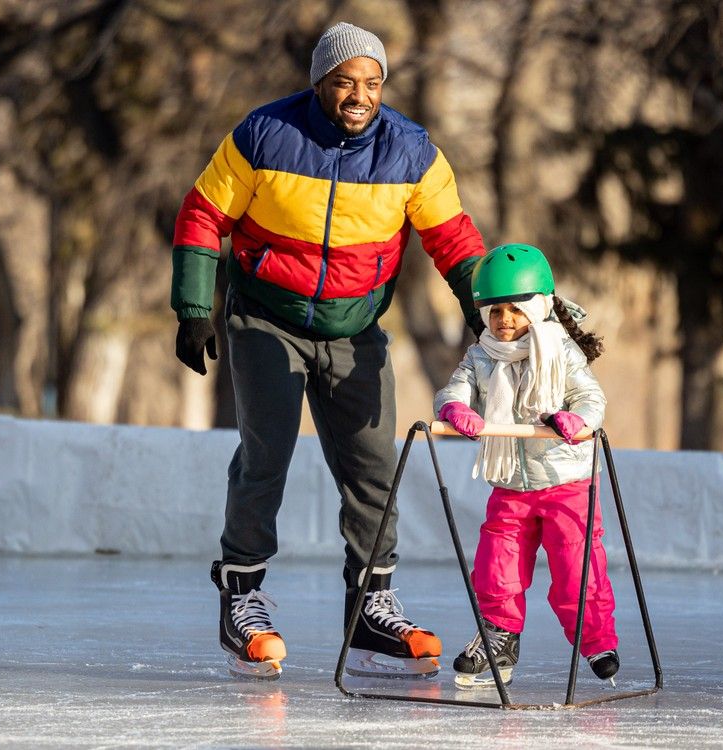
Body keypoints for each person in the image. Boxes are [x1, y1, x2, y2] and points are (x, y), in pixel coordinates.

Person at [170, 21, 486, 680]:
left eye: (372, 83)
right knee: (266, 455)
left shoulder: (412, 152)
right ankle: (242, 597)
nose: (359, 95)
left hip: (355, 328)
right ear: (321, 82)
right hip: (266, 320)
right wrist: (195, 308)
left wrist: (483, 308)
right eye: (346, 82)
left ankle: (370, 609)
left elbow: (453, 237)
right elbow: (204, 213)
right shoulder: (264, 135)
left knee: (375, 464)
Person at [433, 243, 619, 688]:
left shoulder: (561, 351)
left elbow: (592, 399)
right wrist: (455, 410)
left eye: (515, 310)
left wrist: (576, 420)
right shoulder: (481, 356)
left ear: (538, 308)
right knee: (496, 565)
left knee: (576, 567)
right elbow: (452, 391)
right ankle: (499, 637)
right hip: (511, 485)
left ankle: (596, 640)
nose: (505, 320)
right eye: (495, 311)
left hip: (566, 483)